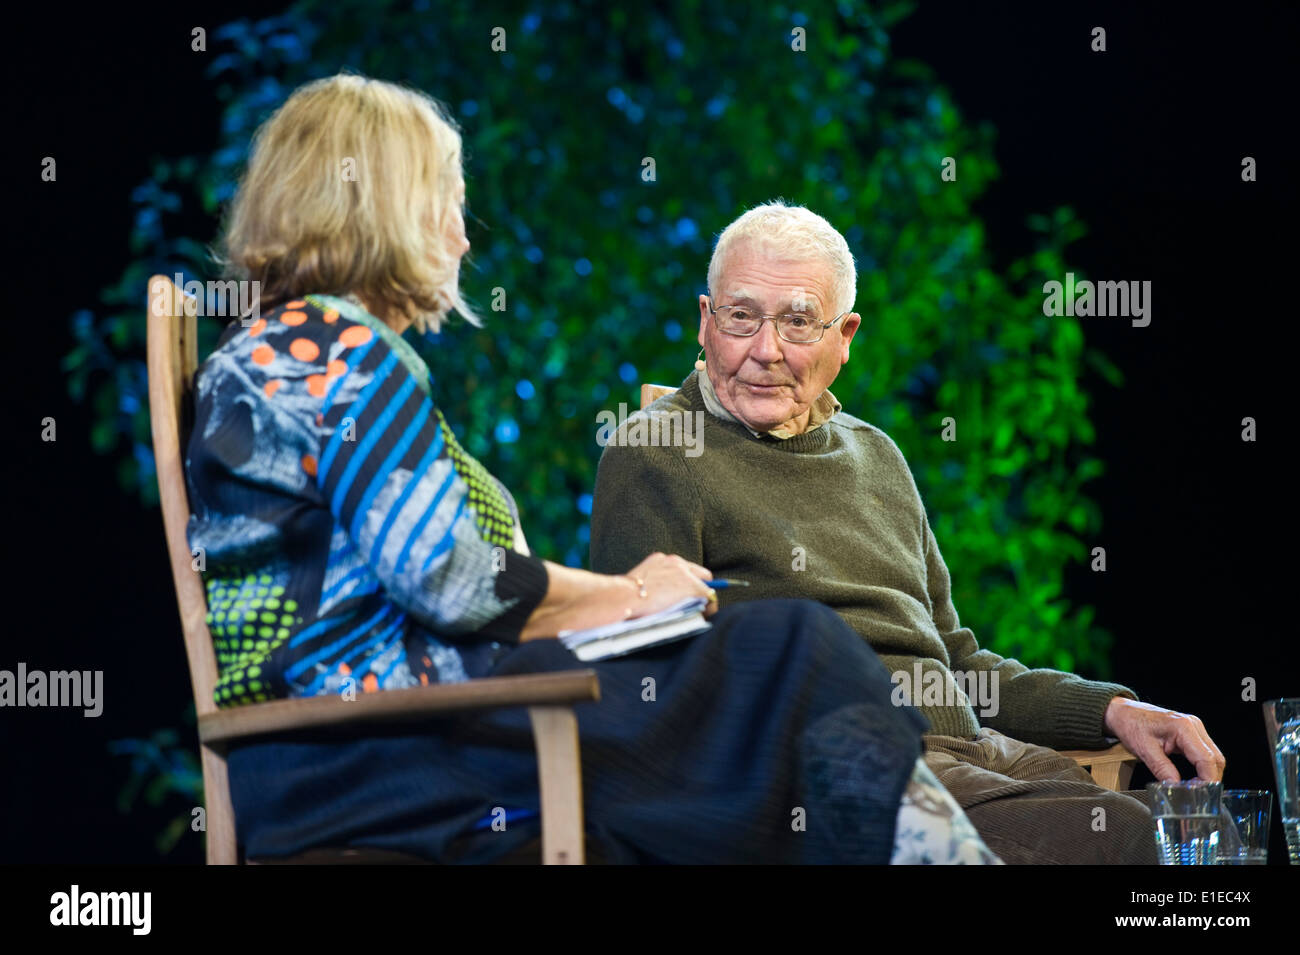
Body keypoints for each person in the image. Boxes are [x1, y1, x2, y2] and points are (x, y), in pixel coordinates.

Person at [184, 74, 999, 864]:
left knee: (759, 708)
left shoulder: (285, 354)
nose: (463, 237)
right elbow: (457, 580)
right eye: (447, 205)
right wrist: (635, 592)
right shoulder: (334, 353)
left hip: (375, 746)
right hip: (376, 752)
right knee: (794, 651)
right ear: (380, 208)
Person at [590, 200, 1227, 864]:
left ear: (846, 336)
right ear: (704, 320)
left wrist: (1108, 710)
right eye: (741, 316)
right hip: (843, 779)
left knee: (1199, 833)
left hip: (975, 757)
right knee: (1131, 839)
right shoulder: (659, 451)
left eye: (800, 321)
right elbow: (649, 687)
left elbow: (959, 662)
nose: (765, 350)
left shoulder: (877, 457)